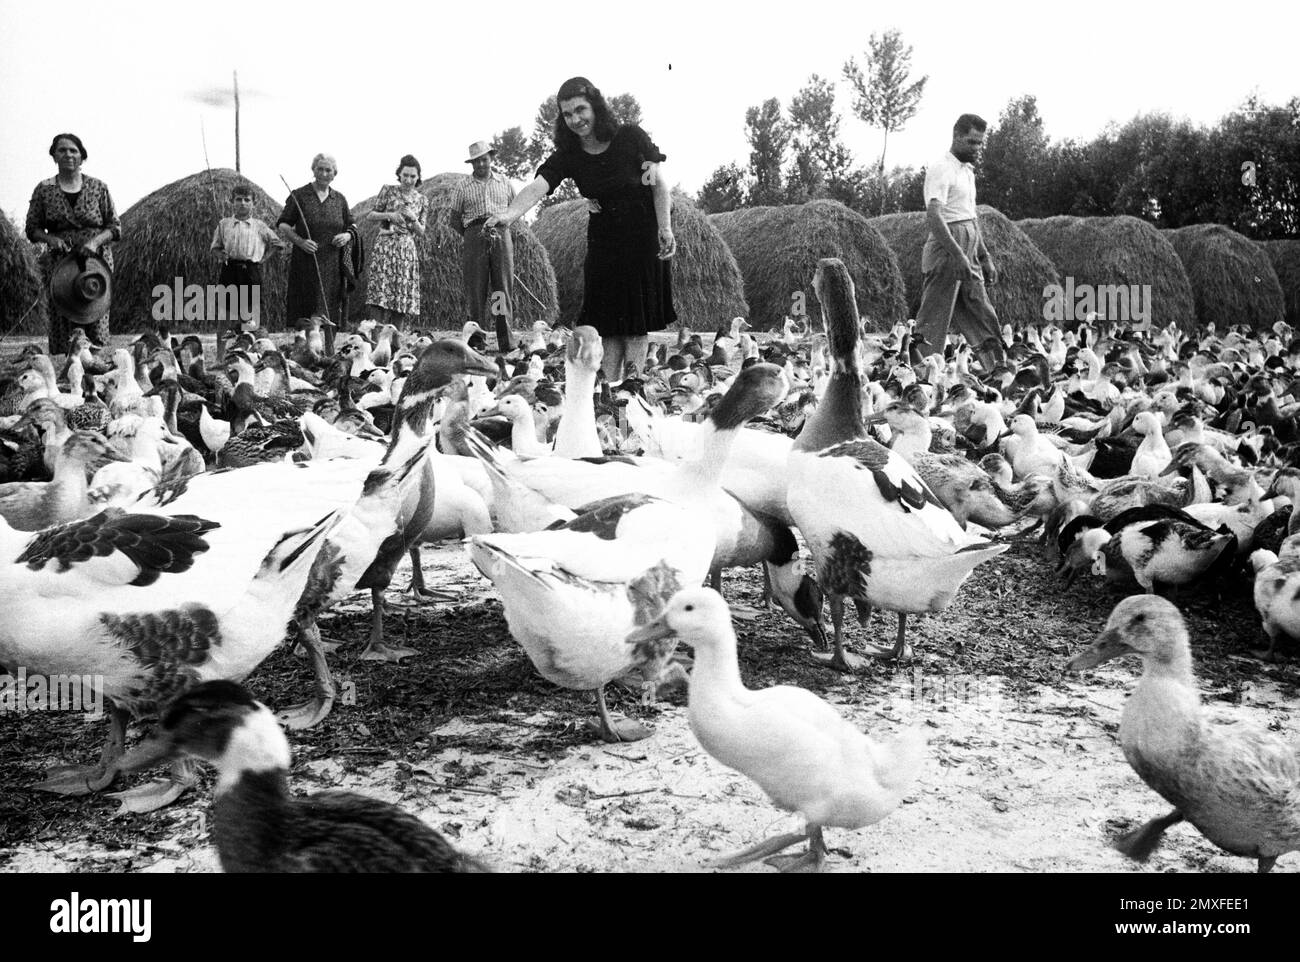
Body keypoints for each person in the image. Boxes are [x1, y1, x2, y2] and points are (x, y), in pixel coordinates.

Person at [485, 77, 676, 381]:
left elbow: (658, 184)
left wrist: (665, 228)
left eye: (580, 109)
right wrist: (510, 214)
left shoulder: (630, 137)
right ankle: (611, 387)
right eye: (567, 114)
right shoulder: (570, 152)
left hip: (641, 235)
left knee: (635, 322)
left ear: (596, 106)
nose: (575, 120)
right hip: (603, 239)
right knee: (607, 320)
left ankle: (633, 385)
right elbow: (540, 185)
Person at [914, 113, 1006, 373]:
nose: (977, 149)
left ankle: (998, 371)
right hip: (947, 249)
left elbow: (970, 216)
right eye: (972, 142)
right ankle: (920, 377)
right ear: (956, 137)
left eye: (980, 143)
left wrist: (984, 256)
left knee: (981, 308)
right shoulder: (942, 168)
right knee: (934, 316)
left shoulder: (967, 172)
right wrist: (958, 256)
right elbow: (934, 216)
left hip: (969, 244)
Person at [24, 133, 121, 355]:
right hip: (62, 263)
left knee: (94, 314)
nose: (68, 154)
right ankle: (69, 374)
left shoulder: (98, 187)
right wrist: (51, 239)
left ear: (82, 156)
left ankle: (95, 372)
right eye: (62, 150)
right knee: (64, 316)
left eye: (73, 150)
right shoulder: (44, 189)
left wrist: (95, 243)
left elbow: (115, 227)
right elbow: (32, 229)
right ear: (54, 156)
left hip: (95, 263)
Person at [450, 141, 517, 353]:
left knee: (501, 288)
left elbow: (514, 210)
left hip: (500, 234)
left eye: (484, 159)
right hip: (474, 235)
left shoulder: (505, 183)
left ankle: (505, 341)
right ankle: (477, 342)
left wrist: (500, 227)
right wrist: (472, 236)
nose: (480, 164)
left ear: (491, 158)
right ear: (471, 163)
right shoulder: (463, 186)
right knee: (476, 289)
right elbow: (454, 219)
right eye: (476, 161)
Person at [277, 153, 356, 329]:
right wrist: (300, 241)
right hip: (306, 261)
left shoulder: (339, 199)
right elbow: (283, 224)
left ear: (335, 174)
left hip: (332, 264)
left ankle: (329, 351)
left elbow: (352, 225)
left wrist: (346, 236)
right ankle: (306, 350)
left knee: (329, 311)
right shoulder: (300, 195)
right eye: (320, 169)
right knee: (306, 311)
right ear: (313, 170)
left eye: (328, 170)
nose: (324, 173)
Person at [210, 182, 285, 341]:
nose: (242, 203)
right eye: (238, 199)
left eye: (246, 200)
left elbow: (279, 244)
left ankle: (249, 353)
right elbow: (215, 247)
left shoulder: (259, 226)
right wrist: (221, 255)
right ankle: (220, 358)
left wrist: (264, 258)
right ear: (232, 202)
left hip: (250, 272)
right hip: (230, 271)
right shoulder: (224, 224)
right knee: (225, 315)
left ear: (253, 203)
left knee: (249, 316)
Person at [365, 155, 428, 328]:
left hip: (406, 249)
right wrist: (389, 215)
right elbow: (371, 215)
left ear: (418, 177)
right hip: (385, 246)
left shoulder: (422, 200)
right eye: (405, 175)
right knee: (380, 292)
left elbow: (422, 232)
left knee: (401, 295)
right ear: (399, 174)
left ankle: (395, 342)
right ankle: (376, 341)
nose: (408, 180)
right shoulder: (388, 191)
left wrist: (413, 219)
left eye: (412, 176)